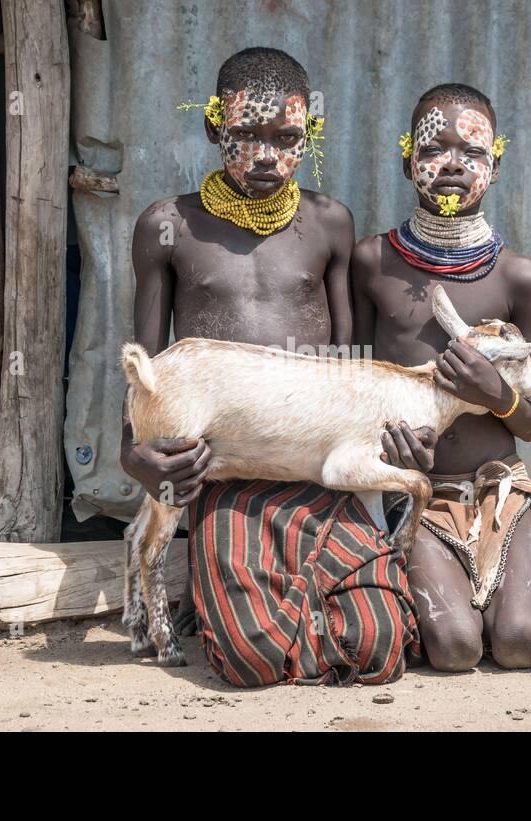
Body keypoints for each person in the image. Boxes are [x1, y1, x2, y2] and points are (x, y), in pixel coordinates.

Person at [120, 47, 422, 685]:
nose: (265, 156)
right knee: (253, 656)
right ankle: (261, 610)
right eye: (244, 136)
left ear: (307, 135)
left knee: (378, 642)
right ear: (212, 127)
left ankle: (299, 612)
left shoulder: (330, 223)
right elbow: (144, 370)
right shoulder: (166, 227)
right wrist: (135, 455)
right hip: (224, 473)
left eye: (286, 139)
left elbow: (350, 363)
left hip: (320, 469)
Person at [352, 83, 531, 672]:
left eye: (470, 153)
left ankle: (500, 586)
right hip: (413, 490)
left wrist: (494, 394)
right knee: (455, 649)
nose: (450, 165)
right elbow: (352, 379)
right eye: (432, 150)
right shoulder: (374, 262)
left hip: (499, 491)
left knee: (521, 643)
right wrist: (386, 440)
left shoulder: (519, 278)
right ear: (406, 161)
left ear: (495, 166)